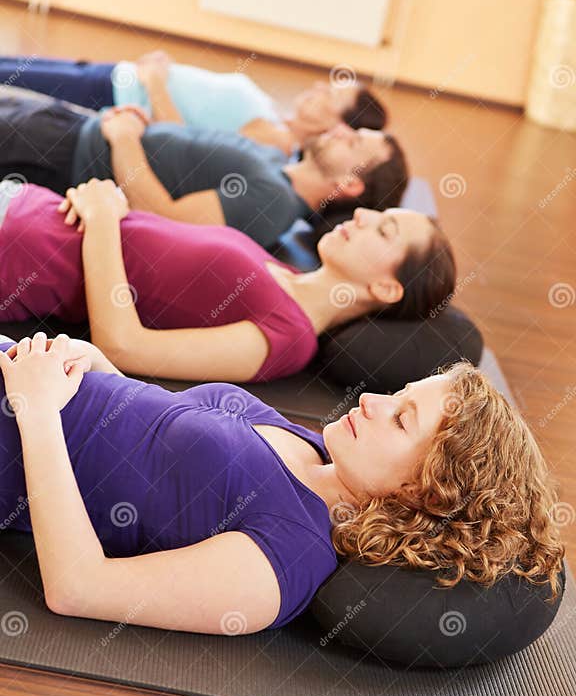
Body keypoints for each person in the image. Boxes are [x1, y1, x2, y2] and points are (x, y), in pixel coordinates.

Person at [0, 333, 564, 634]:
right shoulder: (318, 449)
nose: (371, 400)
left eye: (400, 418)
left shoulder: (290, 555)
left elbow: (78, 588)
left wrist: (38, 409)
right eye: (399, 393)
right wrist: (98, 369)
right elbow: (148, 453)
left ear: (424, 495)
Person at [0, 180, 454, 383]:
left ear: (387, 288)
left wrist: (101, 221)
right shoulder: (287, 272)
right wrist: (113, 206)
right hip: (26, 203)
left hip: (13, 257)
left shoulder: (289, 339)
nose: (363, 214)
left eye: (385, 229)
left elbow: (121, 346)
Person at [0, 88, 407, 249]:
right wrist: (137, 123)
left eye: (353, 142)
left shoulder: (272, 204)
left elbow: (160, 215)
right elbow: (186, 152)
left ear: (350, 184)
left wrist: (124, 138)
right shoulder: (277, 165)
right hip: (74, 127)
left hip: (60, 156)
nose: (340, 131)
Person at [0, 49, 387, 154]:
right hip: (119, 75)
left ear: (338, 126)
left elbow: (184, 140)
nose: (320, 88)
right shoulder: (275, 118)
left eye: (331, 96)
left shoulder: (276, 142)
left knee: (9, 75)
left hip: (113, 94)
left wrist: (155, 83)